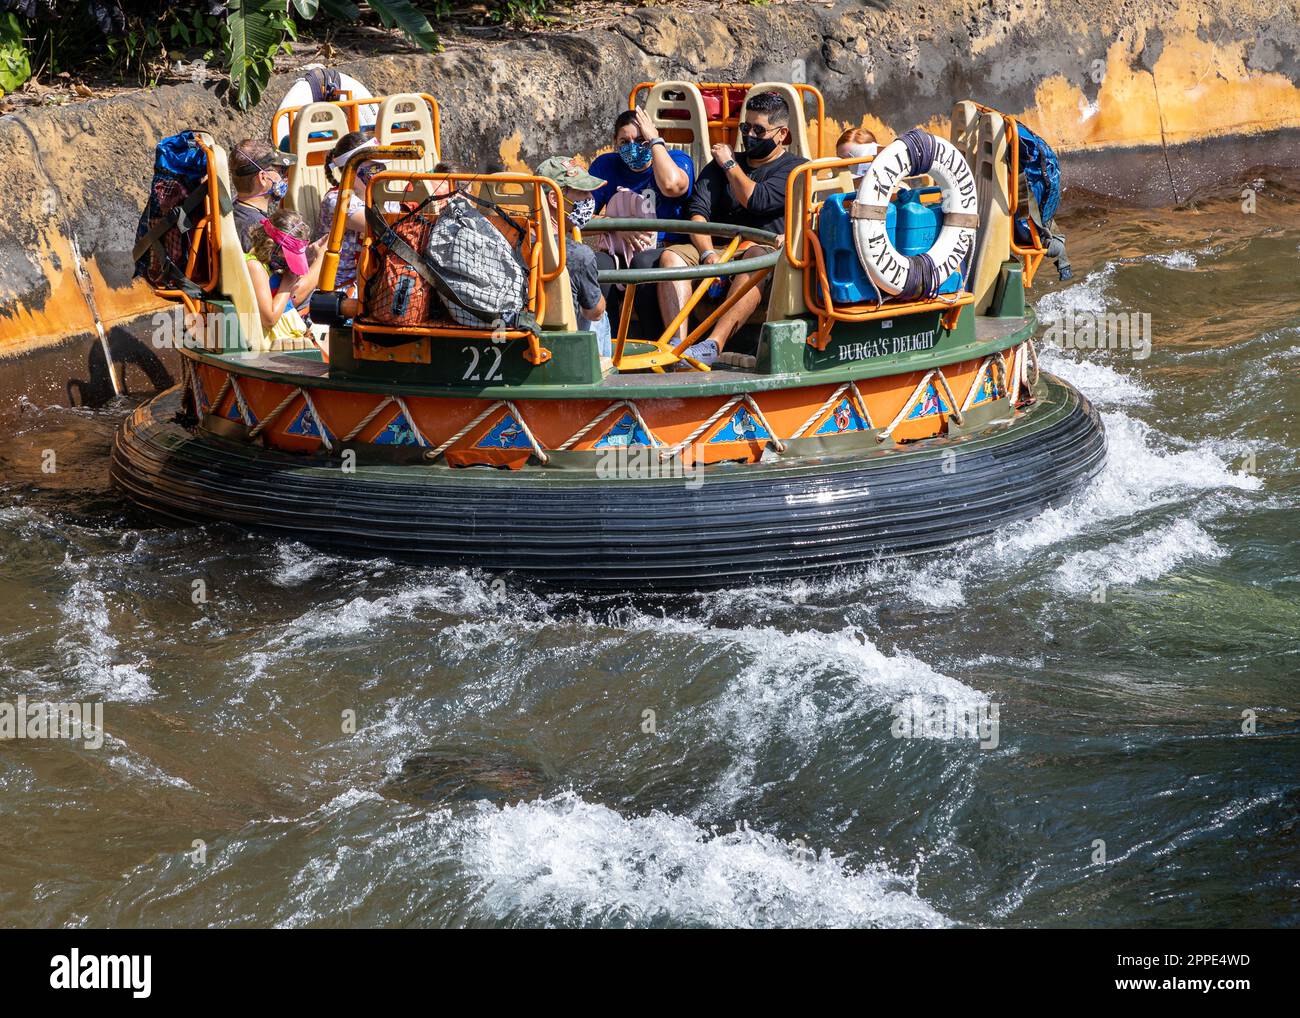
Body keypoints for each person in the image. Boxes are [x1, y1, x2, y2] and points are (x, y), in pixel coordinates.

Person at [644, 90, 807, 366]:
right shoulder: (716, 168)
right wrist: (708, 254)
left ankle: (713, 345)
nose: (750, 135)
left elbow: (756, 199)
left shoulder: (795, 170)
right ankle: (676, 347)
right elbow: (697, 214)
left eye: (759, 129)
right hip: (719, 249)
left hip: (759, 255)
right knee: (670, 257)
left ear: (782, 135)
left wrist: (730, 164)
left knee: (755, 258)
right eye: (746, 127)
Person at [536, 156, 612, 358]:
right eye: (582, 193)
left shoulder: (514, 239)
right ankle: (604, 375)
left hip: (526, 330)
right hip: (567, 344)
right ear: (554, 199)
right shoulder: (579, 255)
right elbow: (593, 312)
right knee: (600, 315)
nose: (589, 199)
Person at [314, 132, 388, 296]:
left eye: (382, 165)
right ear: (353, 169)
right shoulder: (338, 200)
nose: (382, 171)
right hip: (340, 286)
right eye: (375, 166)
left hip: (369, 278)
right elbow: (384, 226)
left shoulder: (378, 195)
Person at [245, 209, 325, 344]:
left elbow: (283, 300)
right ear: (271, 245)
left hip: (291, 337)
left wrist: (309, 258)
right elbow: (269, 319)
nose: (289, 263)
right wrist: (287, 283)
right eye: (289, 257)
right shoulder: (255, 267)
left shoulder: (270, 266)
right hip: (275, 345)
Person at [231, 140, 296, 251]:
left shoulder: (234, 208)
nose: (284, 178)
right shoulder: (258, 230)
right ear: (263, 178)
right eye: (281, 171)